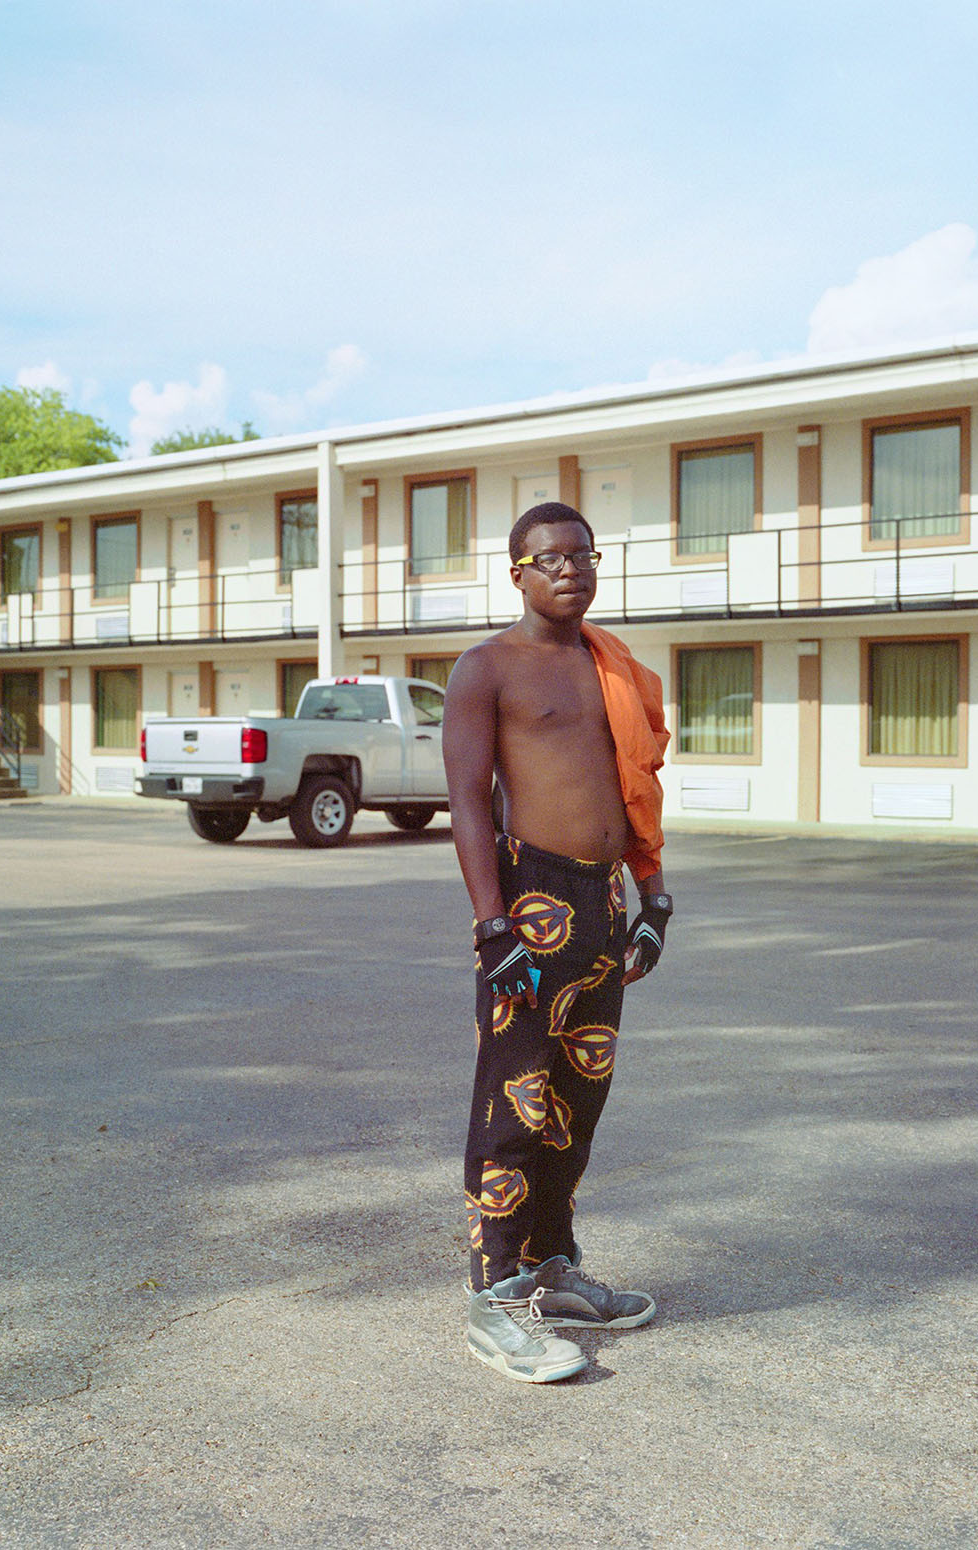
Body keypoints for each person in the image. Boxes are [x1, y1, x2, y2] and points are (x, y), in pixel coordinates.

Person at [442, 501, 673, 1383]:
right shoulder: (487, 669)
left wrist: (652, 894)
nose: (570, 569)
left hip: (605, 903)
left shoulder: (610, 666)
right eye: (551, 558)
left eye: (583, 555)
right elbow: (468, 803)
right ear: (518, 574)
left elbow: (636, 785)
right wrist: (492, 923)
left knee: (577, 1103)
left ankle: (550, 1267)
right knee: (513, 1106)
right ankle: (494, 1300)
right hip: (530, 903)